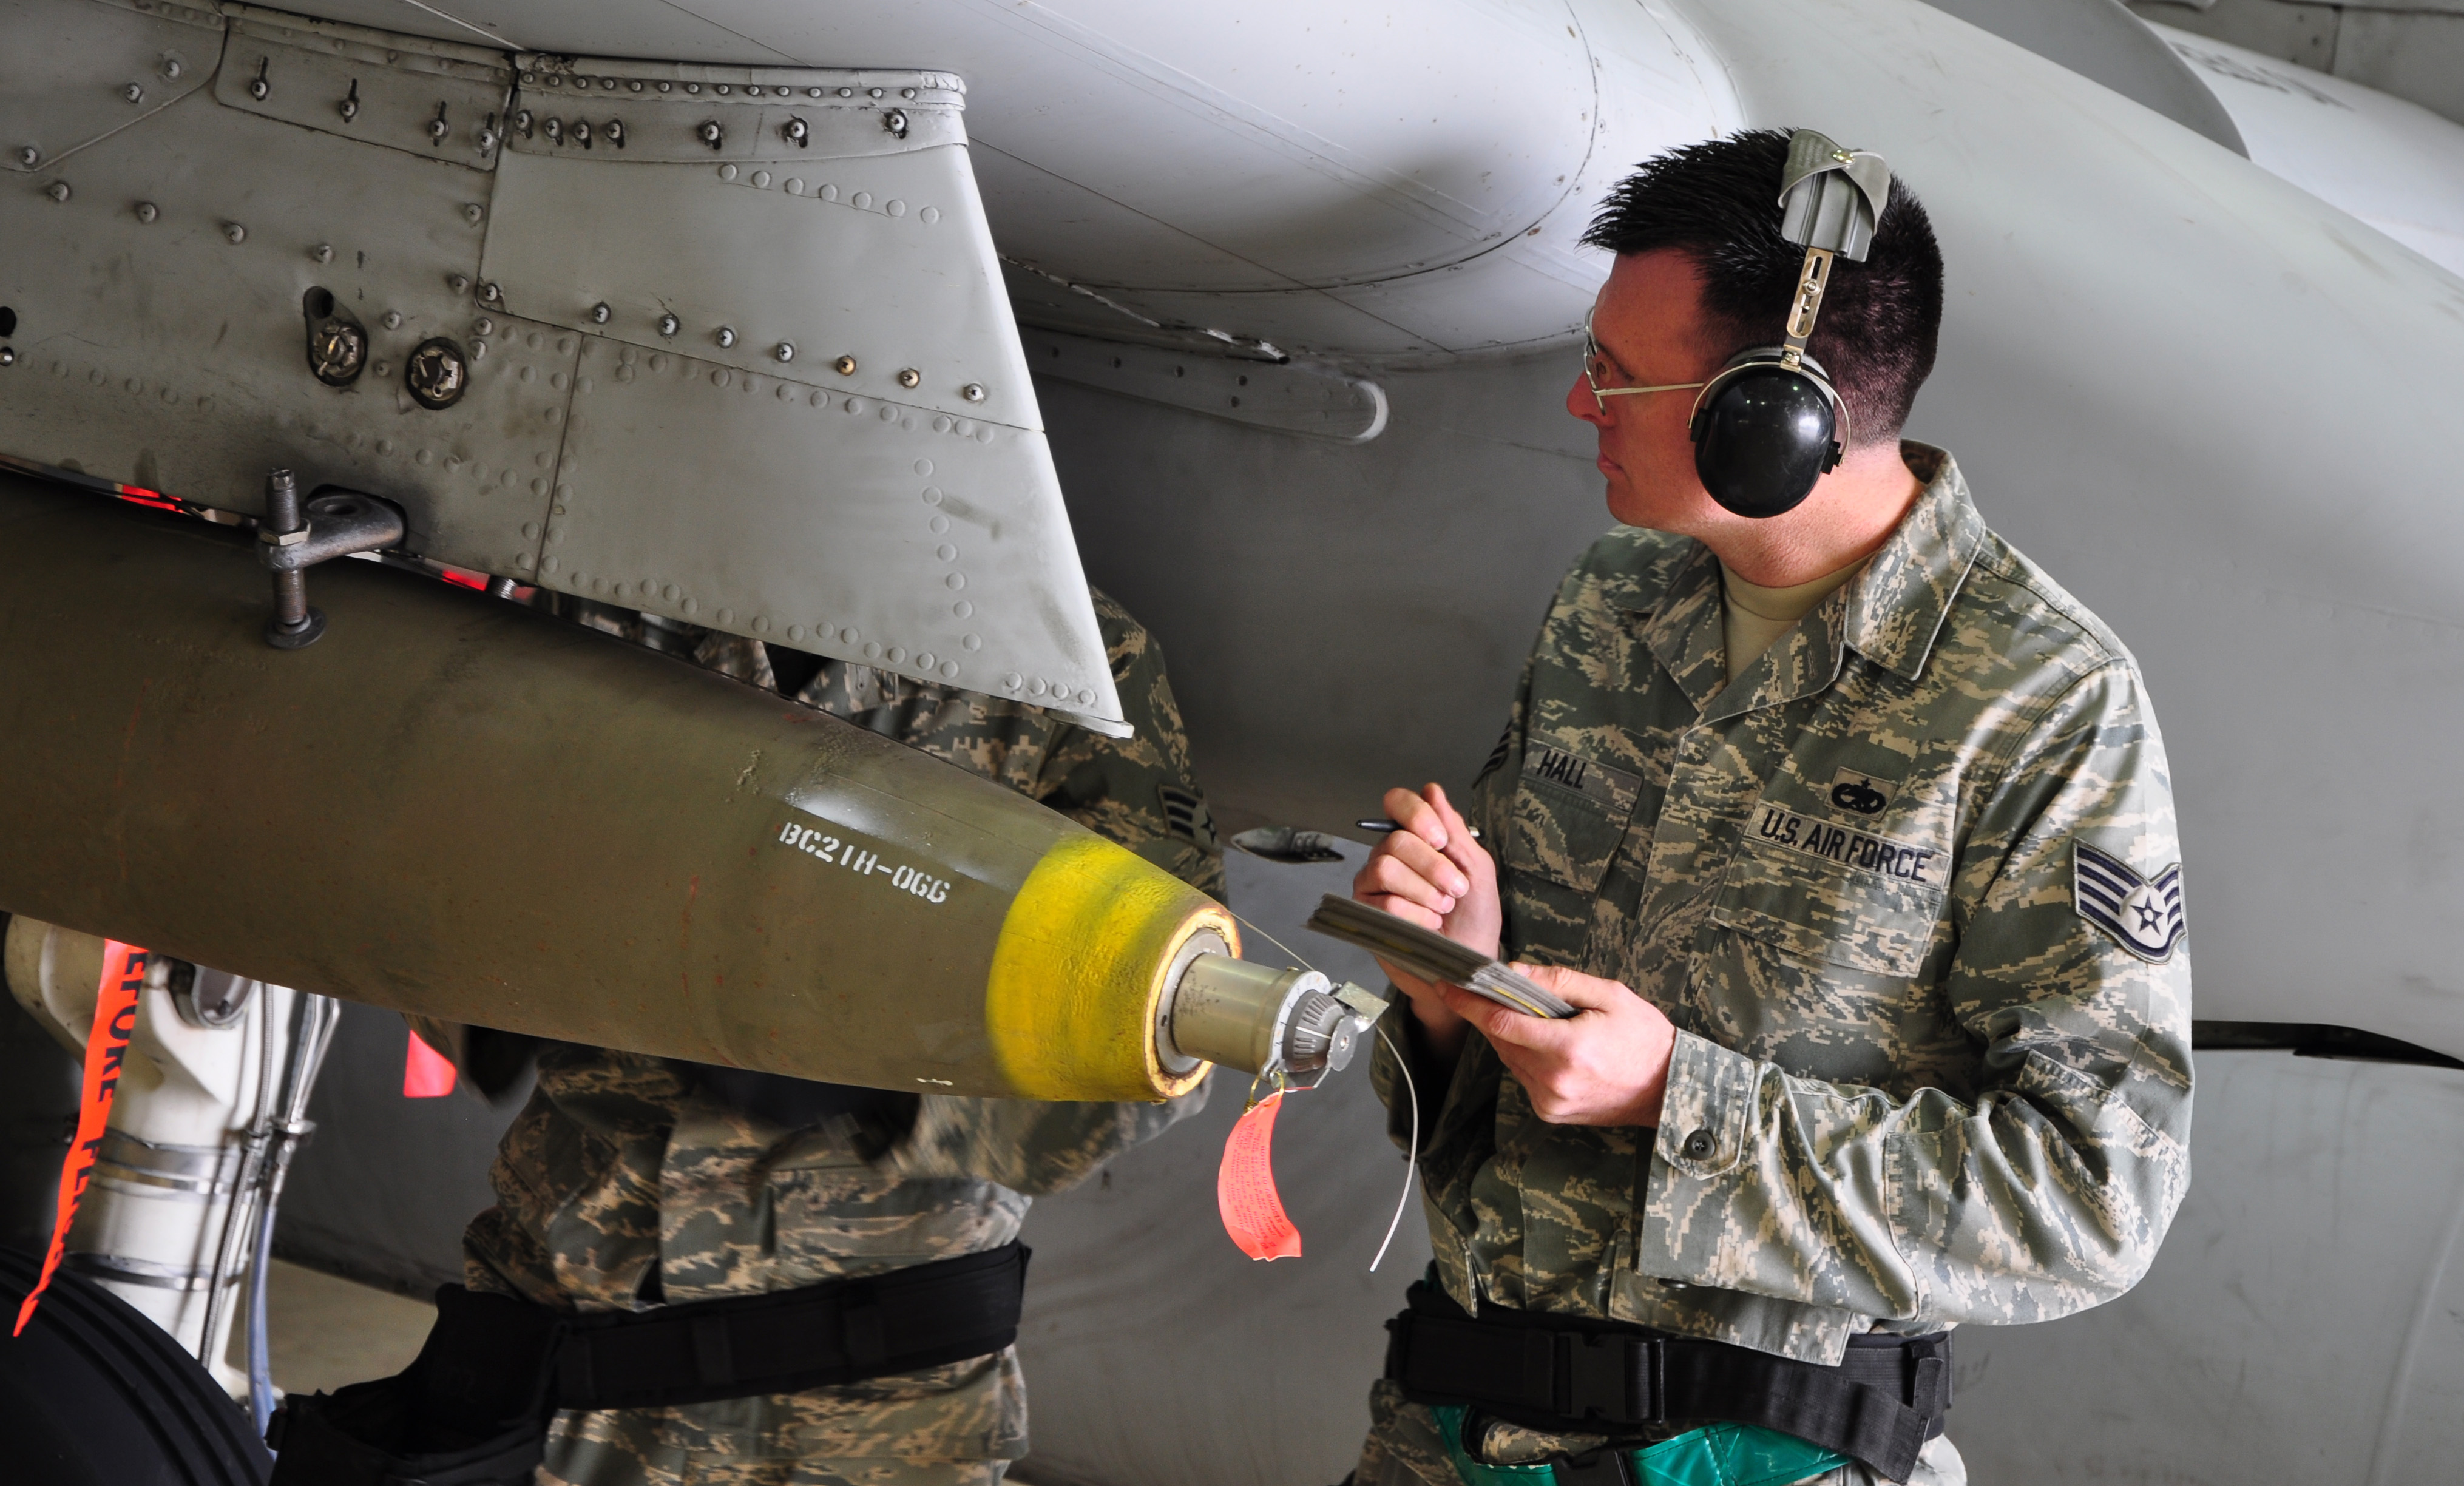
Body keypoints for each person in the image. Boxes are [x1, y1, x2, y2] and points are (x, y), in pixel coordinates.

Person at [1347, 131, 2191, 1486]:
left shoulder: (2038, 702)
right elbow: (1502, 1098)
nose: (1580, 404)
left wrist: (1677, 1101)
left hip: (1757, 1460)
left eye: (1618, 376)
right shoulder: (1610, 603)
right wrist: (1454, 981)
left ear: (1768, 415)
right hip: (1446, 1436)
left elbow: (2092, 1200)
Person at [454, 587, 1222, 1486]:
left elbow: (1162, 1036)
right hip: (562, 1330)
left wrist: (885, 1085)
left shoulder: (1070, 658)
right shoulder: (609, 585)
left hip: (869, 1397)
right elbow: (405, 858)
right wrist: (472, 988)